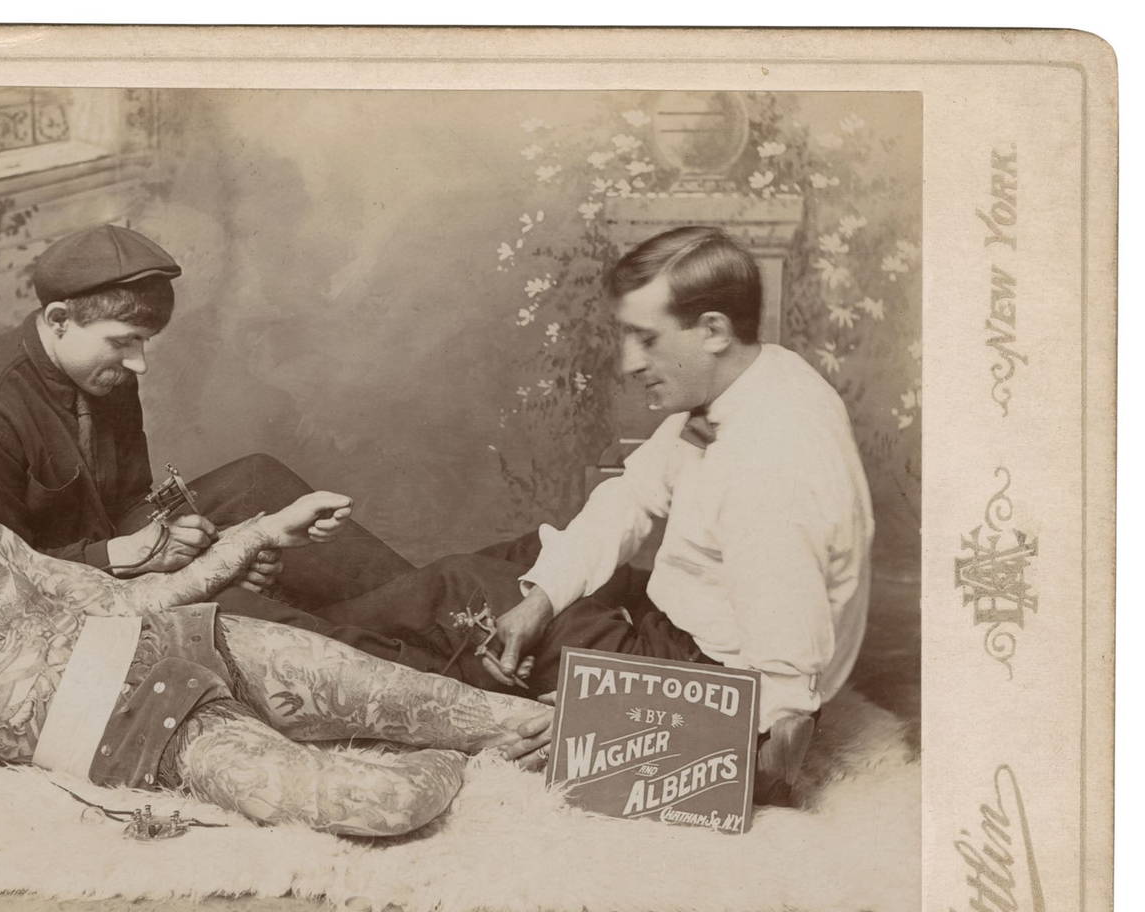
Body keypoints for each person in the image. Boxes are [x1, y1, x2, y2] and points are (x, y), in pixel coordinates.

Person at [0, 375, 552, 838]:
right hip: (141, 731)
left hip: (199, 642)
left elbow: (135, 597)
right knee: (385, 806)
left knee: (492, 716)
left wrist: (260, 533)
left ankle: (618, 741)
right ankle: (430, 757)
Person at [317, 226, 875, 798]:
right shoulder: (758, 377)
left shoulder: (769, 465)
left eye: (646, 338)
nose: (629, 362)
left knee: (458, 590)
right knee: (522, 564)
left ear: (712, 330)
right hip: (685, 619)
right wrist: (541, 600)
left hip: (709, 680)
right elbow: (632, 495)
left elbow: (785, 695)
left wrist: (629, 724)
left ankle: (286, 648)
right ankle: (335, 631)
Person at [0, 223, 432, 668]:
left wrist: (206, 540)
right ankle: (422, 672)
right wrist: (186, 560)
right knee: (234, 607)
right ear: (58, 320)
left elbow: (130, 502)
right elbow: (3, 582)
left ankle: (436, 615)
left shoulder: (105, 373)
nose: (139, 363)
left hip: (114, 549)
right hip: (51, 598)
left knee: (256, 479)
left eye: (145, 342)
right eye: (123, 341)